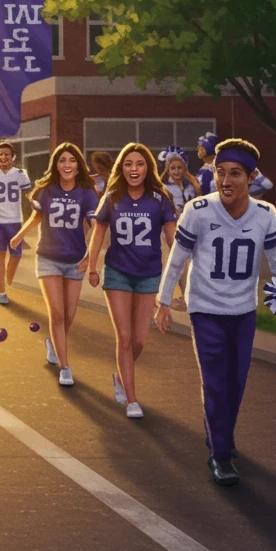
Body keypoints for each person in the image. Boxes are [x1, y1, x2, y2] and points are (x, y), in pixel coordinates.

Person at [154, 139, 276, 486]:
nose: (226, 181)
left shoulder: (266, 214)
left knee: (236, 382)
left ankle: (220, 434)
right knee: (215, 383)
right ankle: (221, 454)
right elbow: (178, 258)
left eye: (235, 174)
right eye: (220, 172)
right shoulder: (198, 209)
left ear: (252, 176)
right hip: (206, 309)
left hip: (243, 311)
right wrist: (164, 300)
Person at [80, 143, 177, 419]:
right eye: (128, 164)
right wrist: (92, 265)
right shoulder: (112, 197)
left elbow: (174, 242)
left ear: (148, 168)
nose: (134, 169)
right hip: (118, 273)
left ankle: (121, 374)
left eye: (140, 164)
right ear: (121, 168)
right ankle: (132, 400)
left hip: (149, 274)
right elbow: (99, 232)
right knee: (123, 337)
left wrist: (181, 280)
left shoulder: (161, 199)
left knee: (139, 340)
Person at [8, 143, 100, 386]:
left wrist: (91, 258)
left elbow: (96, 228)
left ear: (78, 165)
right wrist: (19, 235)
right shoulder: (46, 190)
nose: (67, 164)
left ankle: (52, 341)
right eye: (62, 160)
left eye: (71, 160)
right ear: (56, 165)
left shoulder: (87, 192)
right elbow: (38, 216)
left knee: (68, 316)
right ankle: (65, 367)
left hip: (75, 261)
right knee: (57, 315)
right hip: (48, 258)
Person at [0, 141, 33, 304]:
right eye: (0, 154)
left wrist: (36, 202)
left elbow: (28, 193)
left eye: (7, 154)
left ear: (13, 156)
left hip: (15, 219)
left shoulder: (20, 173)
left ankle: (8, 278)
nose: (4, 157)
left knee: (17, 254)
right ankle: (1, 291)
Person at [159, 146, 201, 304]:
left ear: (185, 169)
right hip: (171, 229)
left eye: (180, 168)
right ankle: (168, 296)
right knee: (175, 262)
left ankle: (187, 295)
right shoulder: (163, 187)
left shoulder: (192, 185)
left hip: (190, 228)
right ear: (168, 169)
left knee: (189, 263)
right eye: (173, 168)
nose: (176, 171)